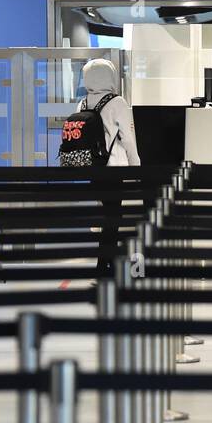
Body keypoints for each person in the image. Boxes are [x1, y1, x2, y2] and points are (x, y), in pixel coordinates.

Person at [78, 58, 139, 274]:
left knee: (107, 215)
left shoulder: (83, 103)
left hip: (93, 168)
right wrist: (136, 166)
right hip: (114, 169)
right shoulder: (117, 102)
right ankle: (105, 262)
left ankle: (105, 261)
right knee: (113, 216)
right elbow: (128, 139)